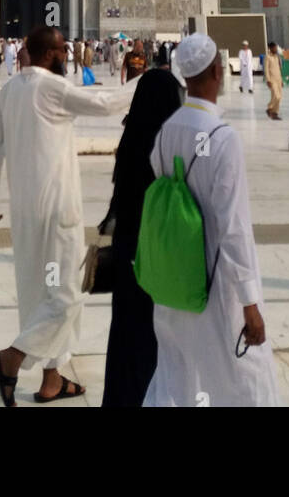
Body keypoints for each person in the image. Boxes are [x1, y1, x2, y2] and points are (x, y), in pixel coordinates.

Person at [0, 26, 132, 406]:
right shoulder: (50, 87)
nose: (67, 54)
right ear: (49, 54)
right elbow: (103, 104)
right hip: (58, 211)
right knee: (66, 295)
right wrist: (145, 83)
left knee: (38, 293)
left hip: (26, 212)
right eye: (63, 49)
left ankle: (52, 379)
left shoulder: (10, 90)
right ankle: (11, 359)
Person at [142, 33, 279, 408]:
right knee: (244, 380)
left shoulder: (167, 131)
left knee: (175, 378)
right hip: (216, 287)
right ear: (218, 71)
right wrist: (250, 303)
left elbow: (161, 184)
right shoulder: (222, 137)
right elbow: (233, 228)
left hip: (173, 283)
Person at [102, 67, 183, 408]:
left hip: (126, 252)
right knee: (149, 342)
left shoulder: (132, 136)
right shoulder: (164, 145)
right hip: (152, 259)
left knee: (125, 337)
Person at [264, 42, 283, 120]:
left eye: (276, 48)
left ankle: (275, 113)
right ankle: (270, 108)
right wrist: (268, 80)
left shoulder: (277, 57)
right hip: (272, 80)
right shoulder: (267, 57)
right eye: (274, 48)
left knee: (279, 97)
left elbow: (279, 69)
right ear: (271, 48)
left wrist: (281, 81)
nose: (276, 49)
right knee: (276, 96)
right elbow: (266, 70)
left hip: (278, 79)